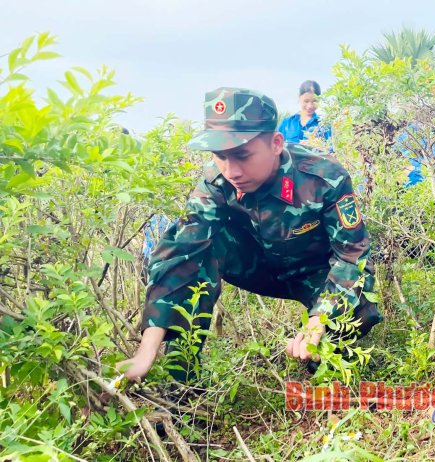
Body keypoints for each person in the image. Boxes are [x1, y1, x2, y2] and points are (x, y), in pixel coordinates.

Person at [116, 87, 381, 382]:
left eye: (242, 155)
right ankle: (183, 387)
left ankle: (321, 363)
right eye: (220, 156)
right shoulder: (216, 182)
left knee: (359, 309)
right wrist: (146, 350)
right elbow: (179, 253)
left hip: (316, 273)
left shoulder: (323, 177)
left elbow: (352, 256)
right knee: (197, 251)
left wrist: (319, 319)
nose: (232, 170)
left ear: (276, 143)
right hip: (257, 267)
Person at [278, 80, 332, 145]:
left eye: (314, 101)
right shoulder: (287, 123)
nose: (310, 106)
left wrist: (315, 145)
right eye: (306, 101)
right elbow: (276, 146)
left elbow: (330, 151)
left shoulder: (324, 126)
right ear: (299, 97)